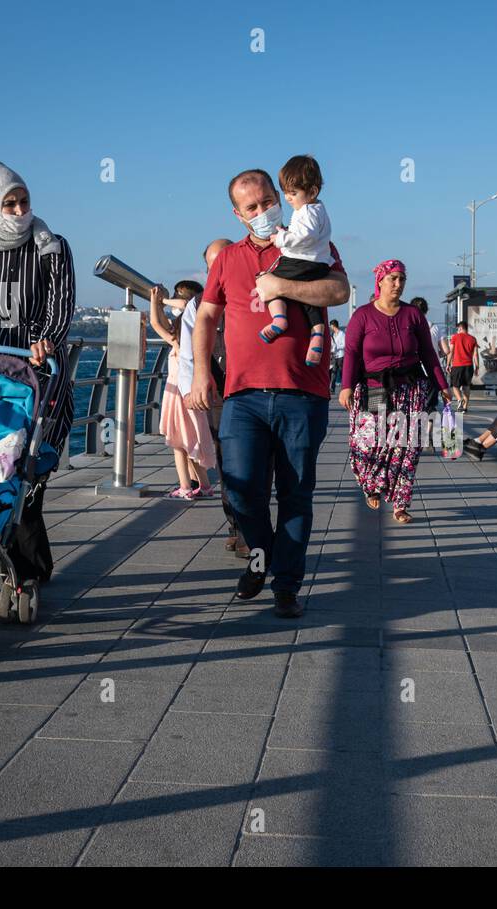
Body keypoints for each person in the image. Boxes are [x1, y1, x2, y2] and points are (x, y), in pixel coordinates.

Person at [189, 169, 350, 618]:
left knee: (296, 494)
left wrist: (282, 287)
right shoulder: (227, 259)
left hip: (303, 392)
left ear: (279, 198)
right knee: (242, 492)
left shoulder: (309, 241)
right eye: (252, 208)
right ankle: (261, 559)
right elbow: (205, 318)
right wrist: (202, 373)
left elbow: (339, 289)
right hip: (243, 396)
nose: (263, 212)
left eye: (267, 201)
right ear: (238, 216)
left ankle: (286, 585)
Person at [0, 160, 74, 584]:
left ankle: (27, 570)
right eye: (9, 204)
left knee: (28, 470)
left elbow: (61, 303)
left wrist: (48, 339)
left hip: (38, 372)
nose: (20, 211)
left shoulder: (51, 246)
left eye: (24, 201)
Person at [339, 260, 448, 524]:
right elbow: (352, 353)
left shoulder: (413, 315)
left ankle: (400, 502)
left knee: (408, 447)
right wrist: (345, 386)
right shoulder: (362, 315)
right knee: (371, 442)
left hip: (410, 390)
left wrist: (443, 386)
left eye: (402, 279)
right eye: (393, 279)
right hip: (374, 387)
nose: (398, 284)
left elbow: (428, 354)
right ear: (380, 281)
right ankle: (373, 484)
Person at [199, 238, 251, 558]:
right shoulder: (200, 304)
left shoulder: (250, 296)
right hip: (218, 394)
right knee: (225, 465)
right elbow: (194, 347)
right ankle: (235, 524)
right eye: (213, 264)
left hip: (250, 389)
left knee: (251, 465)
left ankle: (249, 532)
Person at [257, 155, 332, 367]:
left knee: (267, 282)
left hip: (301, 261)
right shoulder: (319, 209)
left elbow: (305, 236)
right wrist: (288, 232)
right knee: (308, 298)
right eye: (286, 193)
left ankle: (279, 319)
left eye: (293, 193)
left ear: (313, 191)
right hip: (319, 264)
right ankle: (317, 334)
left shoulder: (306, 210)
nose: (289, 198)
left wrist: (280, 238)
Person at [149, 280, 217, 500]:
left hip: (180, 392)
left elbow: (156, 324)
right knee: (190, 441)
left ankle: (185, 487)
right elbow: (160, 321)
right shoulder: (198, 330)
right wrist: (160, 304)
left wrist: (157, 301)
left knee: (179, 442)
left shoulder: (179, 339)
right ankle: (205, 486)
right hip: (190, 389)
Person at [448, 320, 479, 412]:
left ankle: (459, 400)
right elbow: (475, 355)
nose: (457, 331)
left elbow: (451, 352)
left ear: (461, 328)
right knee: (466, 386)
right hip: (468, 366)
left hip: (457, 366)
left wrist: (448, 364)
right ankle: (465, 407)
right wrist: (477, 367)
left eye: (458, 329)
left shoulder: (455, 337)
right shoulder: (473, 339)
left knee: (455, 385)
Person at [328, 318, 345, 394]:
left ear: (333, 326)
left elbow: (345, 345)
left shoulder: (342, 334)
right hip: (335, 356)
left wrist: (336, 347)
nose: (330, 327)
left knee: (342, 373)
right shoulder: (332, 335)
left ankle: (344, 388)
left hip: (341, 356)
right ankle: (332, 389)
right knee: (333, 373)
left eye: (330, 326)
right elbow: (332, 344)